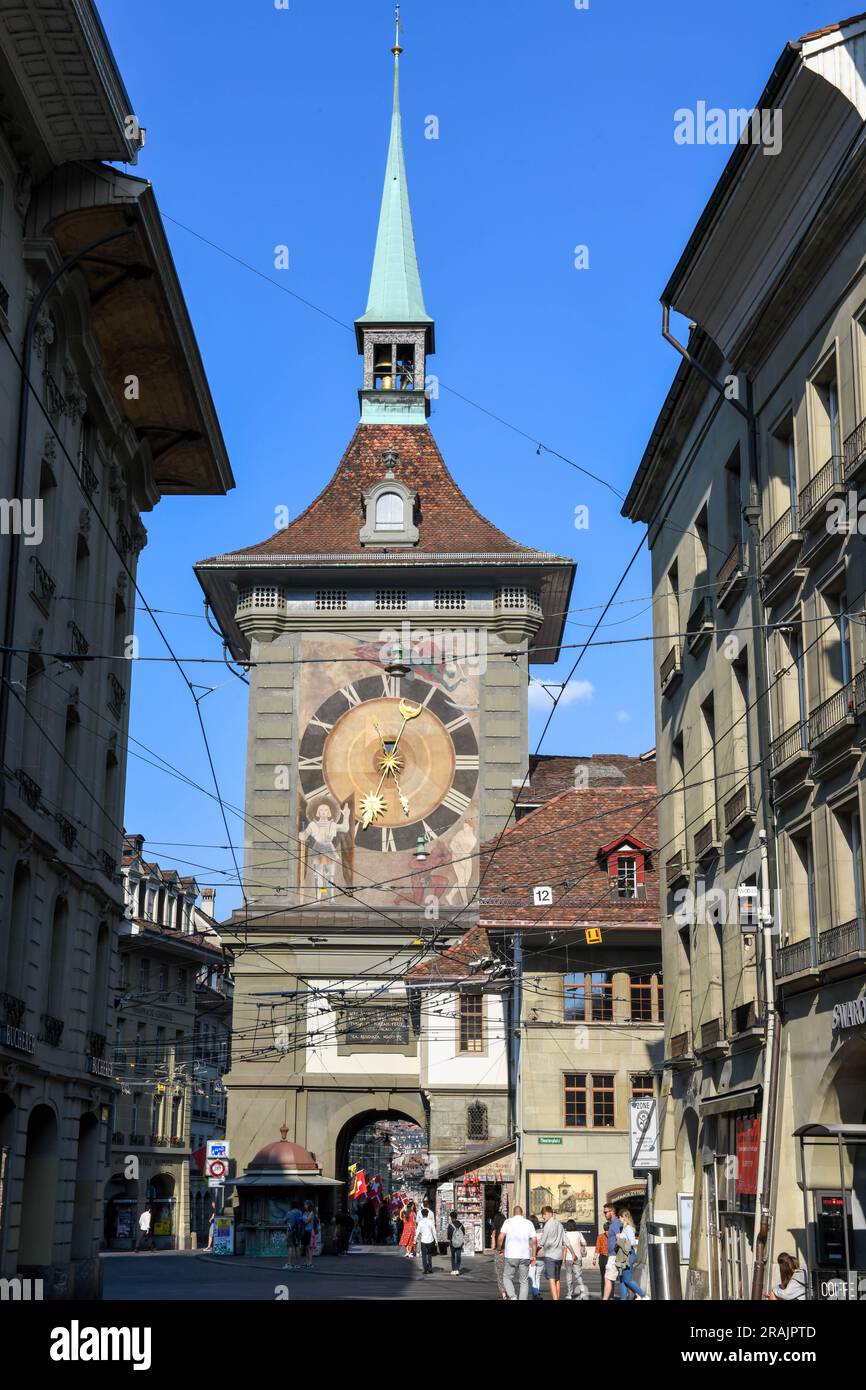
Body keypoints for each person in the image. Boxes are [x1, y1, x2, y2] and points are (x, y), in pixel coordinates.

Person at [497, 1205, 538, 1301]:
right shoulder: (528, 1223)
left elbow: (500, 1237)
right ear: (522, 1213)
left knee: (507, 1277)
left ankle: (513, 1296)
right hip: (525, 1256)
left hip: (510, 1255)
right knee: (524, 1281)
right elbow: (534, 1240)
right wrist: (533, 1255)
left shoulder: (508, 1222)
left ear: (513, 1213)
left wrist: (500, 1248)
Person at [616, 1207, 650, 1300]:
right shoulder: (625, 1228)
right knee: (622, 1279)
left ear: (623, 1217)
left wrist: (619, 1239)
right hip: (624, 1255)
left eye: (619, 1217)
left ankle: (643, 1295)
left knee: (627, 1280)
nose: (619, 1219)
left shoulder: (628, 1228)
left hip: (628, 1255)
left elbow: (632, 1242)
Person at [536, 1205, 566, 1301]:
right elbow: (565, 1240)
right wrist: (572, 1253)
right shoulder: (559, 1224)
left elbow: (542, 1241)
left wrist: (535, 1251)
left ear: (548, 1213)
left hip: (550, 1255)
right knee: (557, 1279)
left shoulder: (548, 1225)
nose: (543, 1217)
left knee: (552, 1279)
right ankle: (557, 1297)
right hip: (559, 1256)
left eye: (543, 1215)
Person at [563, 1220, 589, 1300]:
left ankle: (569, 1294)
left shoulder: (565, 1234)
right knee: (578, 1275)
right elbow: (584, 1243)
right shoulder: (579, 1233)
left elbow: (564, 1247)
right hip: (578, 1257)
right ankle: (583, 1291)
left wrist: (563, 1259)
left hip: (568, 1258)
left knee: (569, 1275)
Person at [601, 1203, 622, 1301]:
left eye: (605, 1212)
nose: (604, 1214)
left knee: (608, 1279)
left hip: (614, 1255)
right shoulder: (614, 1223)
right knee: (621, 1280)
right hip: (613, 1255)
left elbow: (619, 1238)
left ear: (612, 1212)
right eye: (604, 1212)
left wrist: (617, 1250)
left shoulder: (616, 1223)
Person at [491, 1207, 508, 1301]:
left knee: (499, 1274)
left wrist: (493, 1237)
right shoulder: (508, 1231)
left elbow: (493, 1246)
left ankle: (504, 1294)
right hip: (508, 1253)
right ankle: (509, 1291)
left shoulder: (496, 1231)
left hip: (499, 1253)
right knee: (507, 1274)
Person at [417, 1204, 437, 1274]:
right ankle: (430, 1268)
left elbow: (417, 1232)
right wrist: (436, 1241)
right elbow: (434, 1231)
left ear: (422, 1215)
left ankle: (425, 1269)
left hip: (423, 1241)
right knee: (429, 1255)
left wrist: (414, 1240)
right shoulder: (431, 1222)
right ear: (428, 1214)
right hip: (430, 1240)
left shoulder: (420, 1222)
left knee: (424, 1255)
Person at [283, 1202, 303, 1270]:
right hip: (298, 1232)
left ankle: (289, 1264)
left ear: (291, 1206)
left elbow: (284, 1221)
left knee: (290, 1247)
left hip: (290, 1232)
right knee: (297, 1247)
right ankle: (298, 1264)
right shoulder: (300, 1213)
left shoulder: (289, 1213)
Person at [300, 1200, 319, 1268]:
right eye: (304, 1205)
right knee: (305, 1247)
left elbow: (306, 1221)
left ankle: (310, 1263)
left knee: (309, 1247)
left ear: (309, 1205)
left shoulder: (311, 1213)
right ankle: (307, 1262)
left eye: (306, 1205)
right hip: (304, 1231)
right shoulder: (305, 1212)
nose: (305, 1206)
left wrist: (301, 1219)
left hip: (309, 1231)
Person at [447, 1210, 466, 1276]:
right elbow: (464, 1233)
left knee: (453, 1256)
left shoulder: (450, 1225)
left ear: (451, 1217)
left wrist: (450, 1240)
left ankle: (454, 1269)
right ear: (456, 1217)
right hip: (460, 1243)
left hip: (453, 1243)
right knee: (458, 1256)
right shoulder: (461, 1225)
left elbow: (449, 1235)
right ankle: (457, 1269)